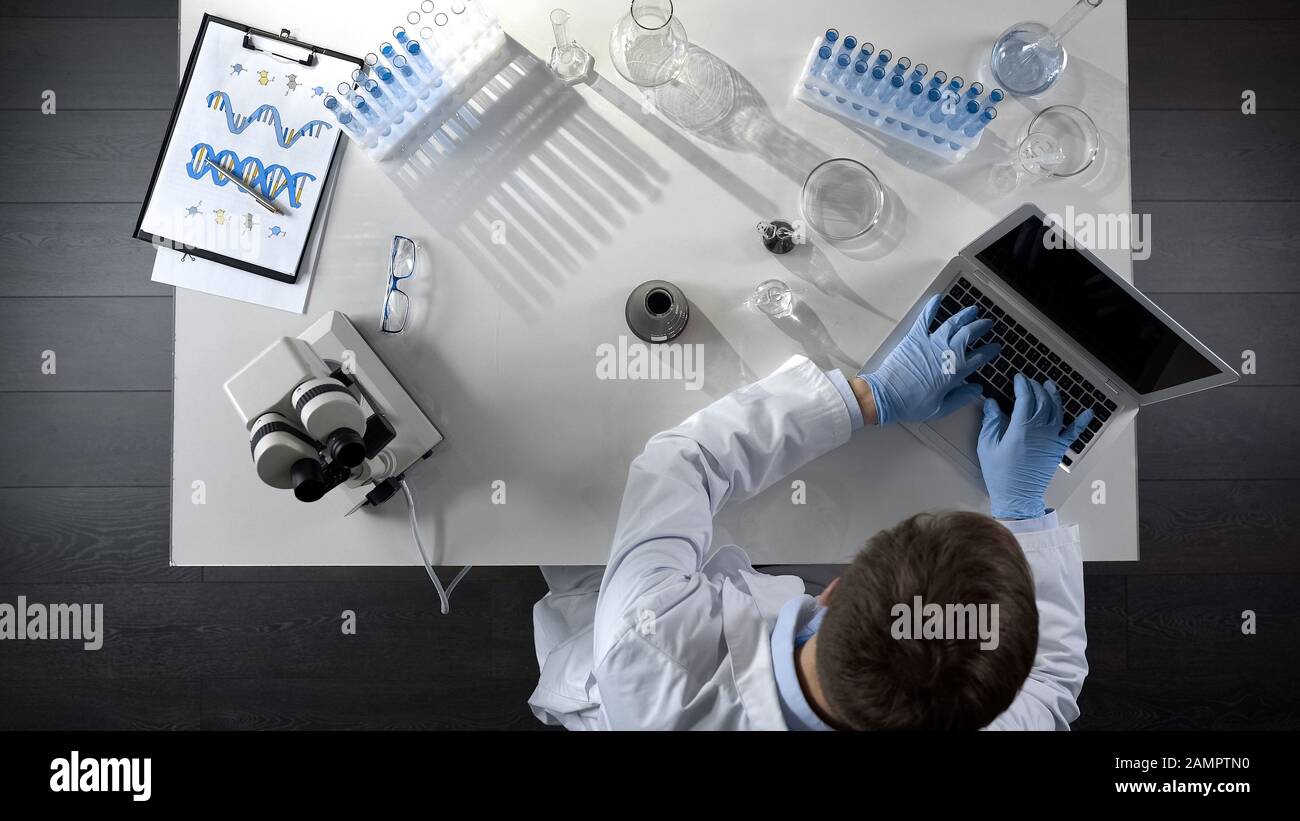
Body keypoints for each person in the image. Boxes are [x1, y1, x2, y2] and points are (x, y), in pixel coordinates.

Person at [528, 296, 1094, 730]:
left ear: (832, 592)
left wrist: (869, 398)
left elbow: (680, 463)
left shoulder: (647, 638)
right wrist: (1021, 509)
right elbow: (1054, 683)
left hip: (610, 682)